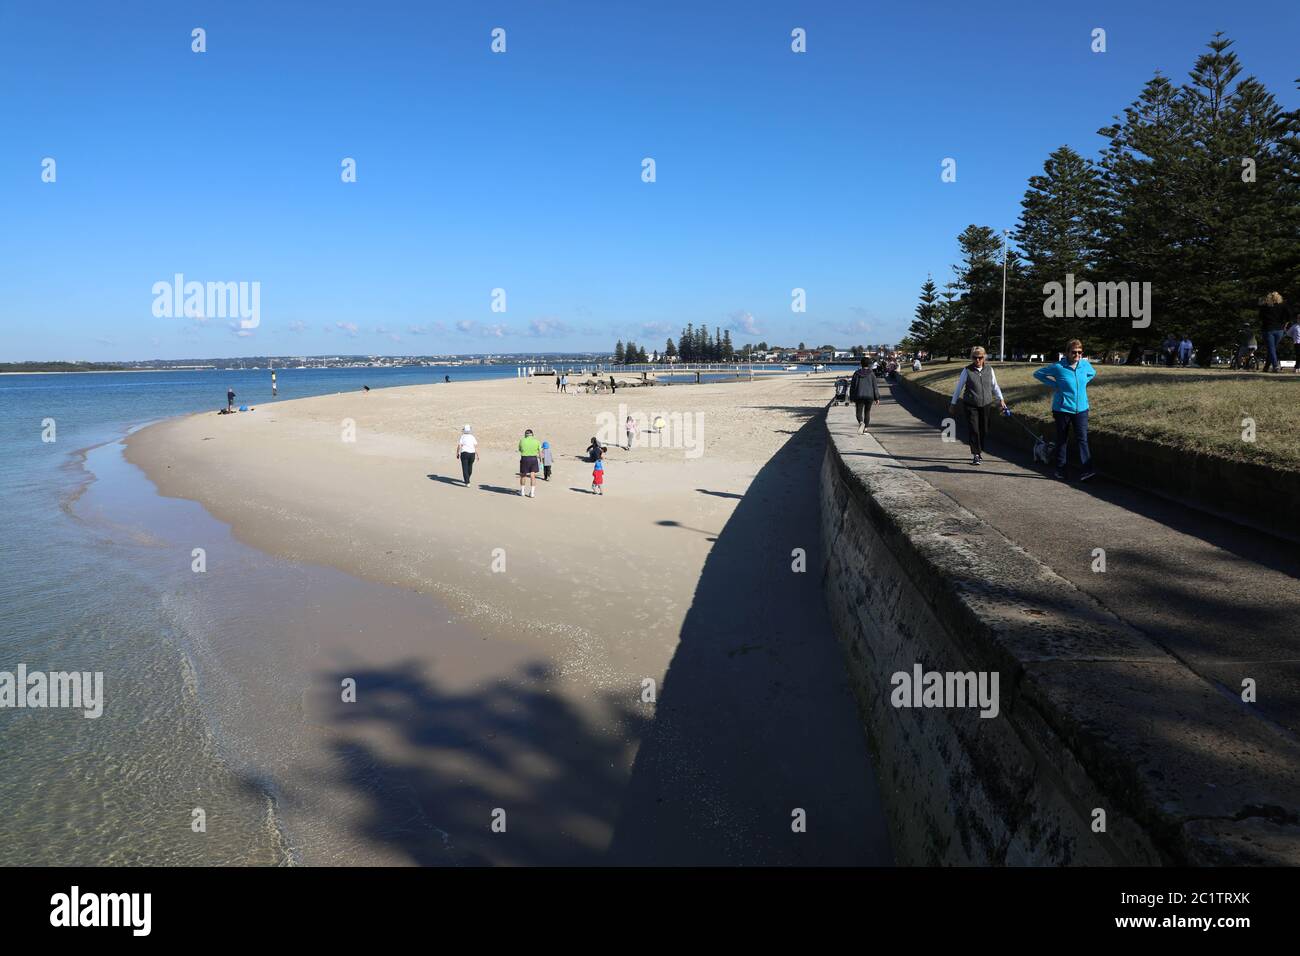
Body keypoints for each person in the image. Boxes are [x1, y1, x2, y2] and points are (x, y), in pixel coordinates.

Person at [1033, 339, 1096, 481]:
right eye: (1074, 352)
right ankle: (1060, 470)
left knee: (1082, 439)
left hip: (1081, 409)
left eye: (1080, 352)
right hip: (1062, 409)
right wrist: (1055, 384)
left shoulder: (1085, 365)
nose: (1077, 355)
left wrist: (1084, 381)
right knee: (1062, 440)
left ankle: (1087, 471)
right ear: (1067, 352)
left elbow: (1092, 373)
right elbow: (1038, 374)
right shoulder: (1058, 367)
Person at [947, 346, 1007, 465]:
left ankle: (979, 450)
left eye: (980, 357)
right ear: (972, 358)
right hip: (971, 404)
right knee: (974, 429)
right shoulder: (967, 370)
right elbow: (959, 388)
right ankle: (976, 454)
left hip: (986, 404)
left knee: (984, 429)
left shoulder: (989, 369)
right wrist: (953, 404)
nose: (978, 360)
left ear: (984, 357)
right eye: (975, 358)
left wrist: (1001, 399)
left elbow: (995, 386)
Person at [848, 356, 880, 434]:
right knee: (867, 412)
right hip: (869, 396)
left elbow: (853, 386)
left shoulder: (856, 373)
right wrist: (877, 398)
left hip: (859, 395)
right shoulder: (871, 373)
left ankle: (861, 422)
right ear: (869, 364)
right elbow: (874, 386)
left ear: (861, 364)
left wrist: (851, 397)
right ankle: (865, 428)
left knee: (859, 412)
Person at [1260, 292, 1290, 373]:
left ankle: (1275, 366)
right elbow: (1289, 317)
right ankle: (1266, 367)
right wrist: (1285, 326)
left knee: (1271, 349)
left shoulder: (1265, 306)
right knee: (1272, 349)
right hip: (1280, 330)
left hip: (1268, 330)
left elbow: (1260, 317)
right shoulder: (1283, 305)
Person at [518, 428, 542, 497]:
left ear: (526, 434)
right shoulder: (536, 441)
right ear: (532, 434)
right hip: (533, 459)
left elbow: (520, 449)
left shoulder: (522, 440)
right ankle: (532, 493)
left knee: (523, 475)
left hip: (525, 458)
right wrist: (541, 461)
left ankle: (522, 491)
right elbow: (540, 452)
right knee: (533, 475)